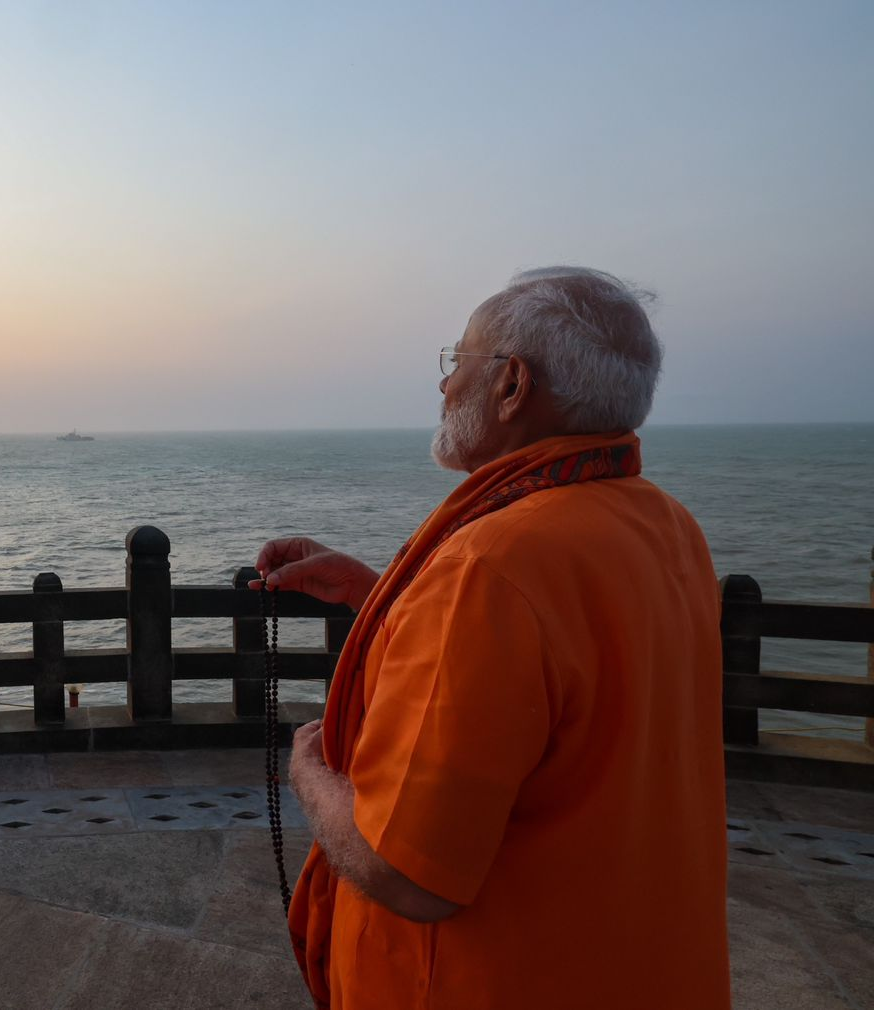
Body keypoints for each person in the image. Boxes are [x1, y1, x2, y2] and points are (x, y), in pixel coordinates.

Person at [254, 267, 729, 1009]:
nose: (444, 388)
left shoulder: (490, 567)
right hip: (631, 965)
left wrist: (313, 774)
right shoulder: (664, 525)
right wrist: (383, 597)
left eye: (456, 363)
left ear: (511, 386)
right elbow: (564, 679)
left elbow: (405, 869)